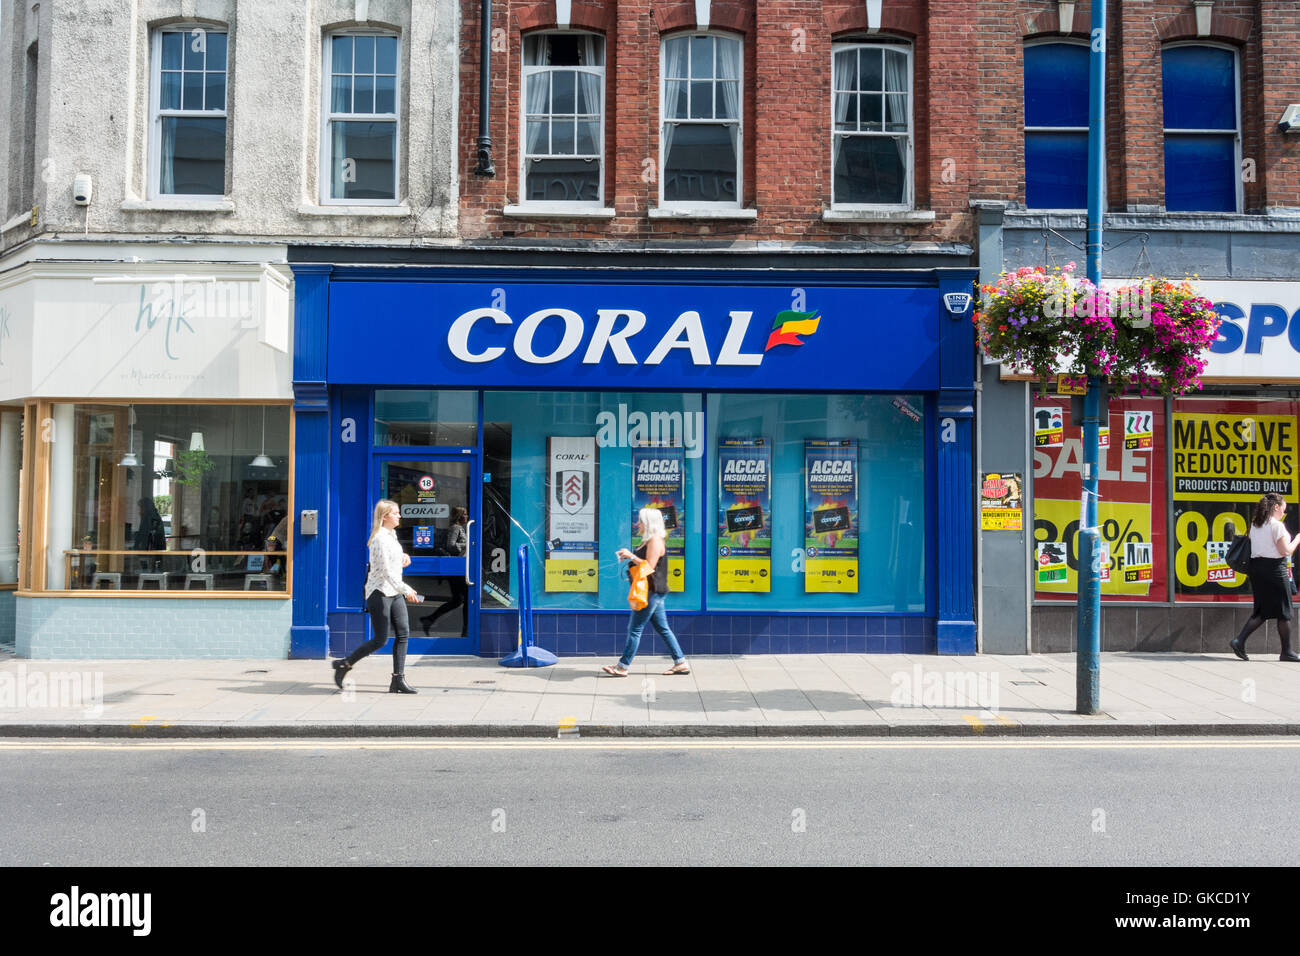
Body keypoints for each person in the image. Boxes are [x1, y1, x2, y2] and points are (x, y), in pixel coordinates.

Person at [332, 499, 424, 693]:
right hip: (379, 592)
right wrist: (407, 590)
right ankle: (345, 664)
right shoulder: (379, 538)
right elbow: (385, 572)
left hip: (394, 591)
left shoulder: (392, 535)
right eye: (396, 513)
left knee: (403, 634)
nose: (399, 515)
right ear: (385, 516)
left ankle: (397, 680)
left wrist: (403, 557)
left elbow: (392, 562)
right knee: (380, 639)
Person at [603, 507, 690, 677]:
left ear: (649, 523)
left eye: (641, 521)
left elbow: (649, 566)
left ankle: (622, 667)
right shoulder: (648, 540)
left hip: (651, 591)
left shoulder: (655, 541)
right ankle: (680, 662)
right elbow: (643, 562)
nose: (637, 524)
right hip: (653, 590)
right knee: (663, 628)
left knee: (635, 629)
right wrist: (629, 558)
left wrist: (631, 556)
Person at [1230, 493, 1300, 662]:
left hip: (1257, 570)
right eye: (1283, 508)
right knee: (1284, 612)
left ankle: (1239, 641)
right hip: (1275, 569)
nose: (1284, 512)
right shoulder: (1277, 526)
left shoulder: (1256, 524)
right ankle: (1287, 652)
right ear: (1276, 507)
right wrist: (1297, 539)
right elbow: (1285, 551)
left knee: (1262, 610)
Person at [422, 506, 469, 636]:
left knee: (458, 600)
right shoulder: (456, 528)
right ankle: (466, 631)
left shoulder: (458, 528)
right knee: (467, 599)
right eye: (464, 514)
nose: (467, 516)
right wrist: (468, 544)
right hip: (456, 569)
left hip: (456, 568)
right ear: (459, 516)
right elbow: (451, 545)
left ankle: (429, 619)